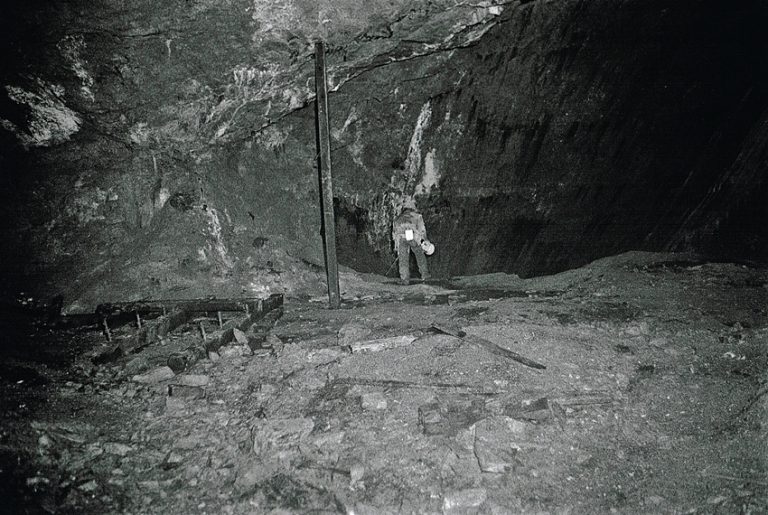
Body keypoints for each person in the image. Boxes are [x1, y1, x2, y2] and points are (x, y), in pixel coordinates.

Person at [392, 207, 435, 285]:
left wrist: (396, 247)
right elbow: (422, 230)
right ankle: (425, 275)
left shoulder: (398, 218)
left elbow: (395, 234)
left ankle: (404, 279)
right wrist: (425, 239)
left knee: (403, 259)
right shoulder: (417, 216)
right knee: (420, 255)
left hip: (402, 238)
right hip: (414, 237)